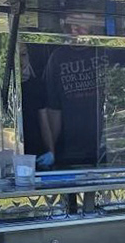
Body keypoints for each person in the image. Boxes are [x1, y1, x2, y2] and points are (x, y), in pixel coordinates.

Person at [44, 13, 106, 168]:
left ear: (92, 29)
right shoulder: (57, 57)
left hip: (104, 144)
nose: (77, 31)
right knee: (69, 188)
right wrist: (52, 149)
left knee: (96, 186)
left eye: (83, 27)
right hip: (68, 147)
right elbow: (53, 107)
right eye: (73, 26)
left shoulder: (104, 51)